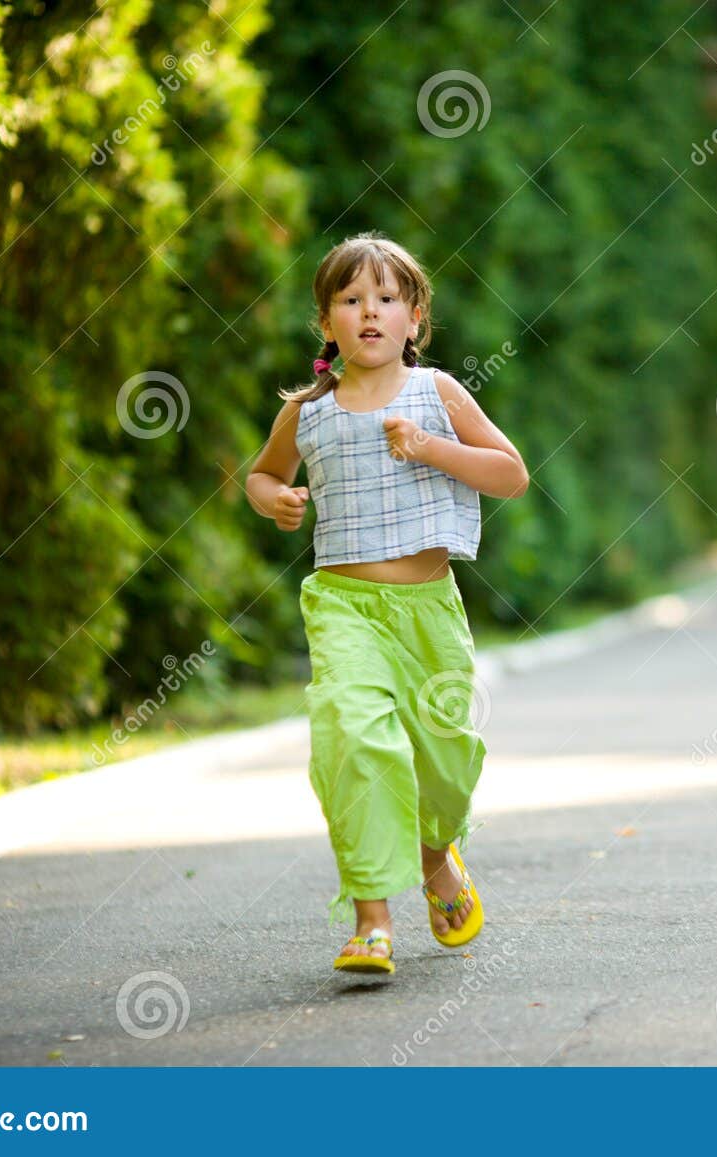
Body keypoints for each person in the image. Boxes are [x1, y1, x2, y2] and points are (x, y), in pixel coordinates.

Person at [246, 232, 528, 974]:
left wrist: (432, 448)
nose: (368, 311)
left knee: (446, 760)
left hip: (428, 610)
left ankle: (436, 856)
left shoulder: (438, 394)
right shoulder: (307, 411)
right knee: (353, 739)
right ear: (326, 322)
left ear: (414, 318)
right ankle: (371, 917)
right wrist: (276, 499)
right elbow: (263, 475)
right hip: (343, 607)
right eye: (350, 299)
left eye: (385, 298)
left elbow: (510, 474)